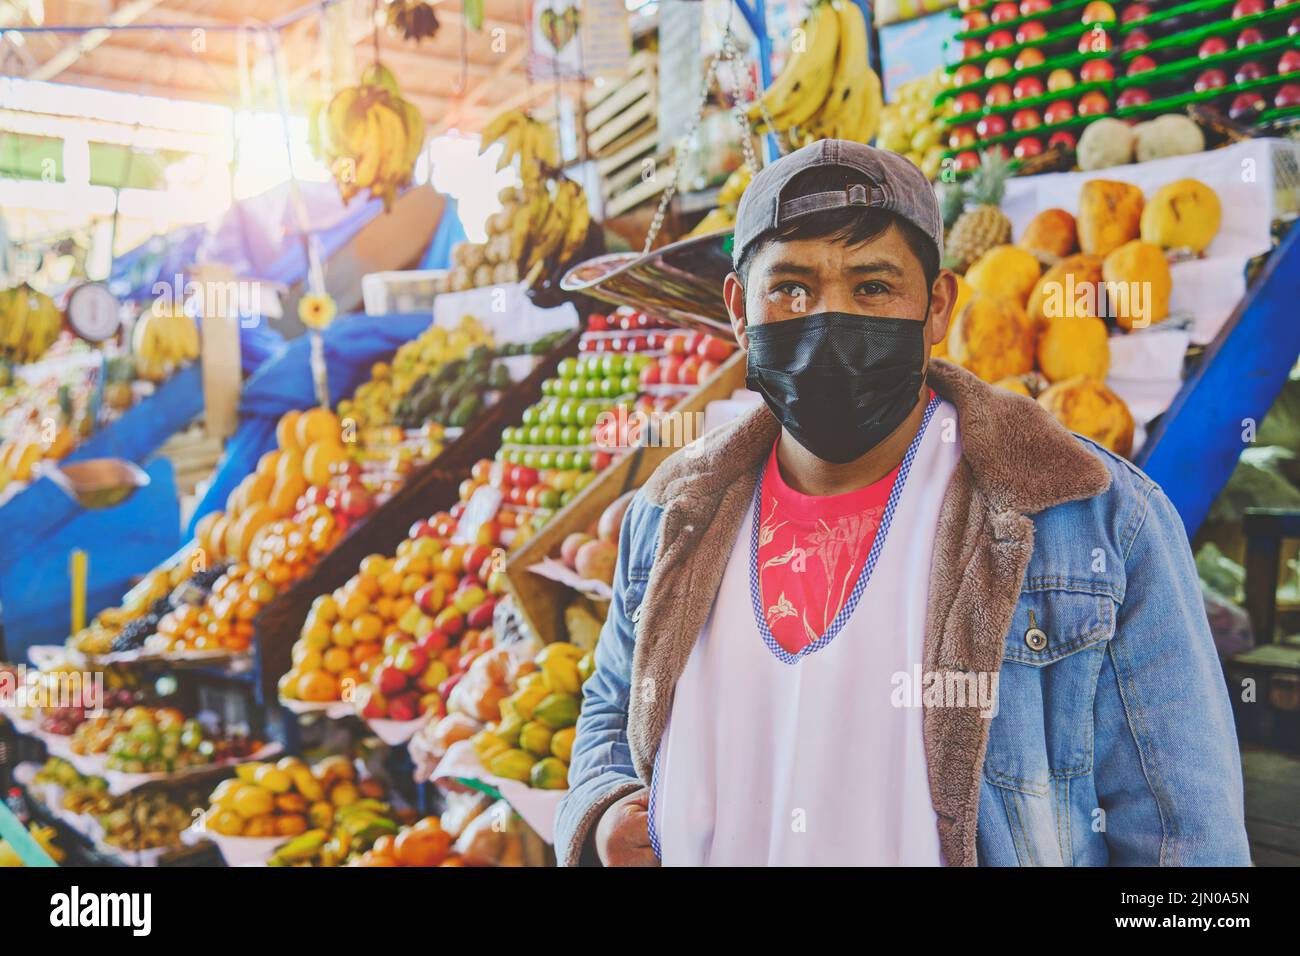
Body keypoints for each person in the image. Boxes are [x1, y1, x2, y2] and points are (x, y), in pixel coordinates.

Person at [555, 140, 1250, 867]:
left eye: (873, 287)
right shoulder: (670, 514)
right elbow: (610, 702)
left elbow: (1189, 851)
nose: (828, 318)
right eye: (790, 288)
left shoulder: (1093, 521)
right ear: (738, 308)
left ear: (939, 306)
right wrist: (601, 805)